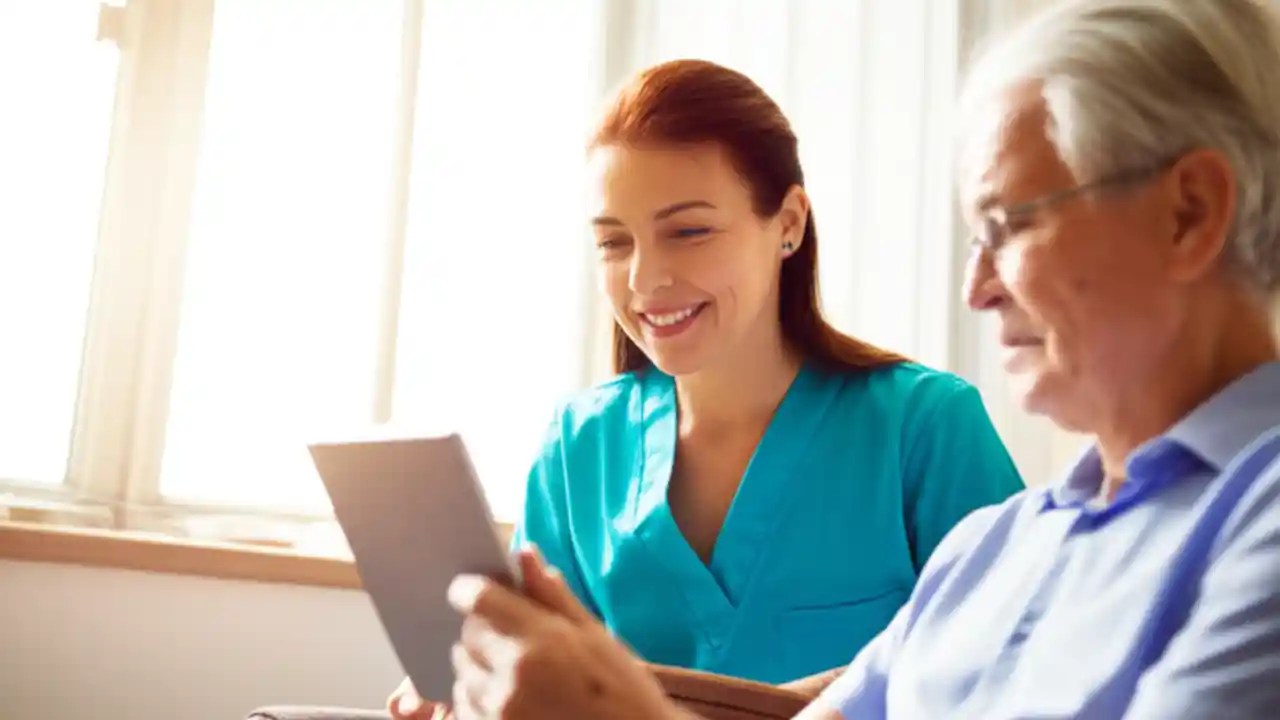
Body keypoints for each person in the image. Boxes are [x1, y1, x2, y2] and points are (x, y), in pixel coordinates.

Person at [434, 0, 1280, 717]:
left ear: (1189, 212)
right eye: (614, 241)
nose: (976, 290)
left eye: (1012, 225)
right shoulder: (992, 549)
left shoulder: (1258, 527)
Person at [389, 59, 1024, 718]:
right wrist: (469, 688)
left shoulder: (926, 429)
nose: (644, 279)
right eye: (613, 243)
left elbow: (1020, 670)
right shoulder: (579, 449)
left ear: (789, 224)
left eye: (688, 231)